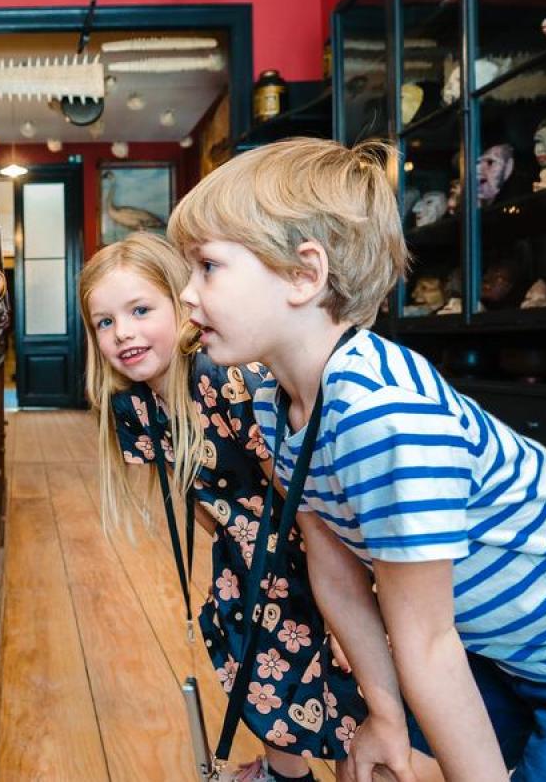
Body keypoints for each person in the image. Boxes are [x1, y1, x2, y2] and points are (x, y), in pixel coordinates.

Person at [169, 137, 546, 782]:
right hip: (517, 651)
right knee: (374, 742)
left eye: (207, 267)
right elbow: (334, 568)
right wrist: (384, 713)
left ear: (306, 275)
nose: (187, 297)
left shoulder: (384, 416)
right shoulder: (282, 400)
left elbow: (430, 642)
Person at [80, 232, 369, 782]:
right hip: (246, 557)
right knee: (257, 671)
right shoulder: (134, 403)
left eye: (141, 310)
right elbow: (197, 495)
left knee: (343, 705)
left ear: (183, 303)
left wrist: (343, 611)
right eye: (105, 322)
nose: (124, 334)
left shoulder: (221, 378)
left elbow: (300, 499)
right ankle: (286, 773)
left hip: (315, 555)